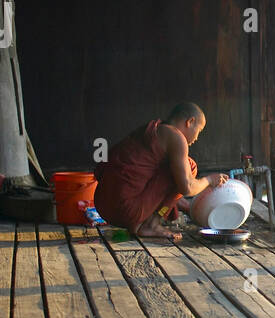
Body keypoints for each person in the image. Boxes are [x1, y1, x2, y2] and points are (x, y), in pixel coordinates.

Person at [93, 102, 228, 238]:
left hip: (102, 205)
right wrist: (210, 180)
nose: (197, 138)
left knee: (178, 168)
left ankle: (143, 223)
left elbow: (163, 191)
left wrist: (190, 209)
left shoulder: (155, 129)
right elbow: (187, 188)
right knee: (189, 166)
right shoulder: (176, 137)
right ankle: (151, 225)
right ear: (190, 122)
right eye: (199, 131)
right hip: (126, 209)